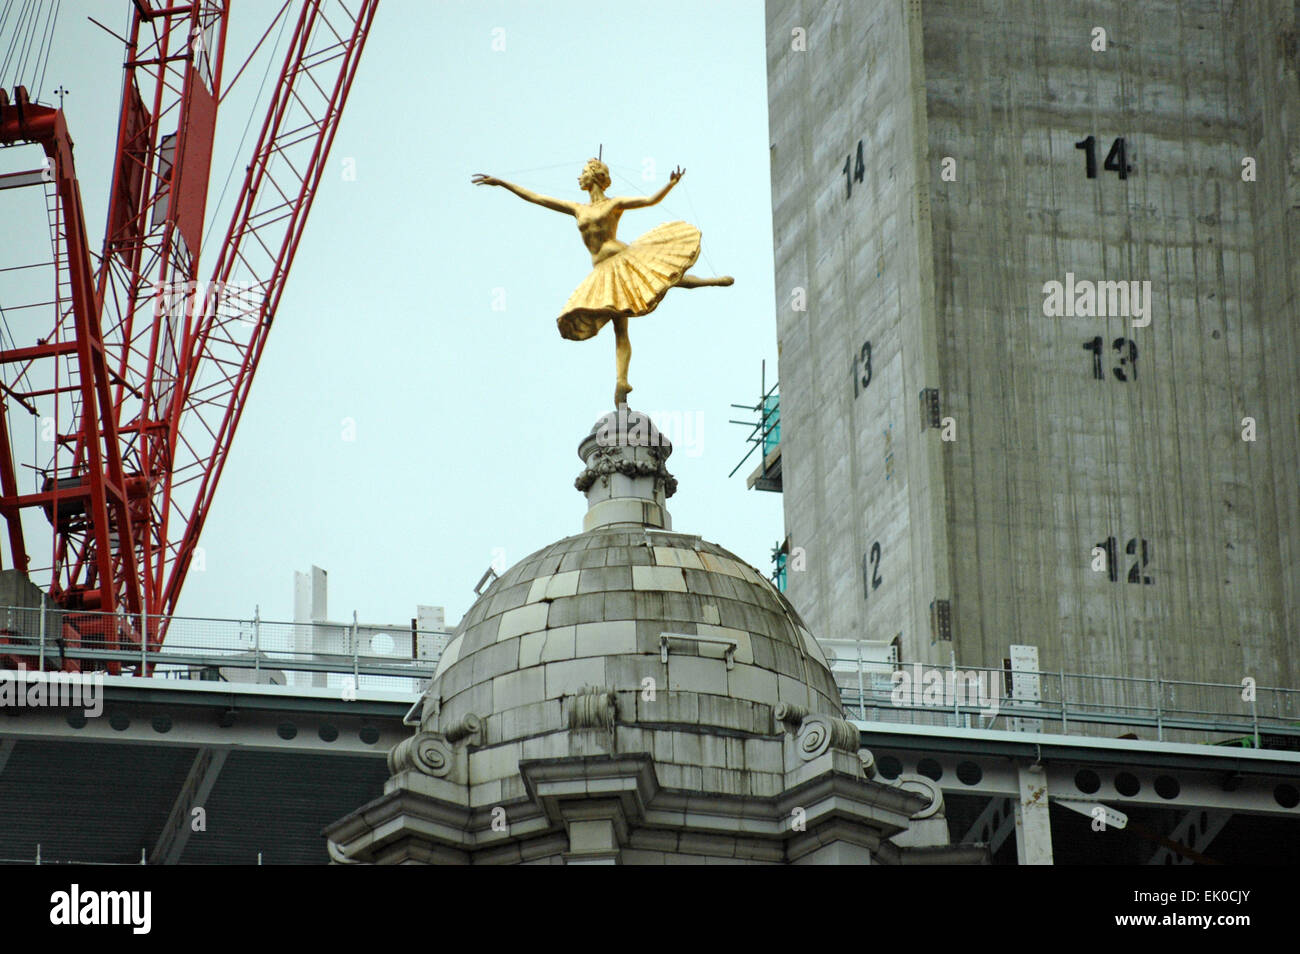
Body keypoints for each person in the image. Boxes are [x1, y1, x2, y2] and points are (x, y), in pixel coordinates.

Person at [473, 157, 733, 407]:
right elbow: (538, 198)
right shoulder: (577, 209)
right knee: (620, 328)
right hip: (602, 270)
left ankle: (712, 281)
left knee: (665, 277)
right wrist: (502, 183)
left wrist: (670, 184)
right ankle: (622, 381)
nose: (579, 176)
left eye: (584, 172)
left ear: (596, 176)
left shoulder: (614, 204)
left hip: (621, 258)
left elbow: (649, 200)